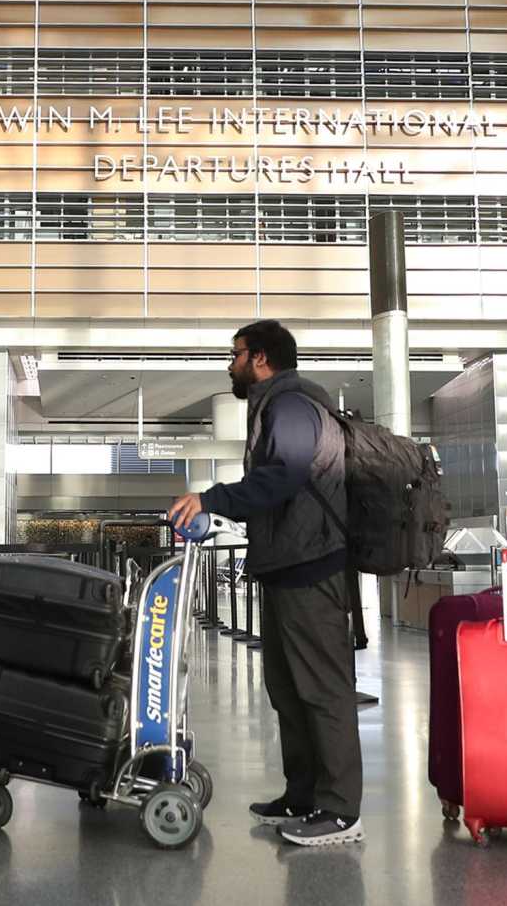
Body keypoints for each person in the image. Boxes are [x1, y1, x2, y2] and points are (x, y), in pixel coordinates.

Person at [167, 320, 362, 848]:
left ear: (259, 358)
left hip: (313, 565)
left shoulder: (294, 404)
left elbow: (285, 475)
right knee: (287, 689)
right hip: (285, 564)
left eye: (234, 355)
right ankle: (303, 796)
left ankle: (341, 811)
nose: (229, 364)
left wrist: (212, 499)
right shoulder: (275, 405)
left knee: (321, 690)